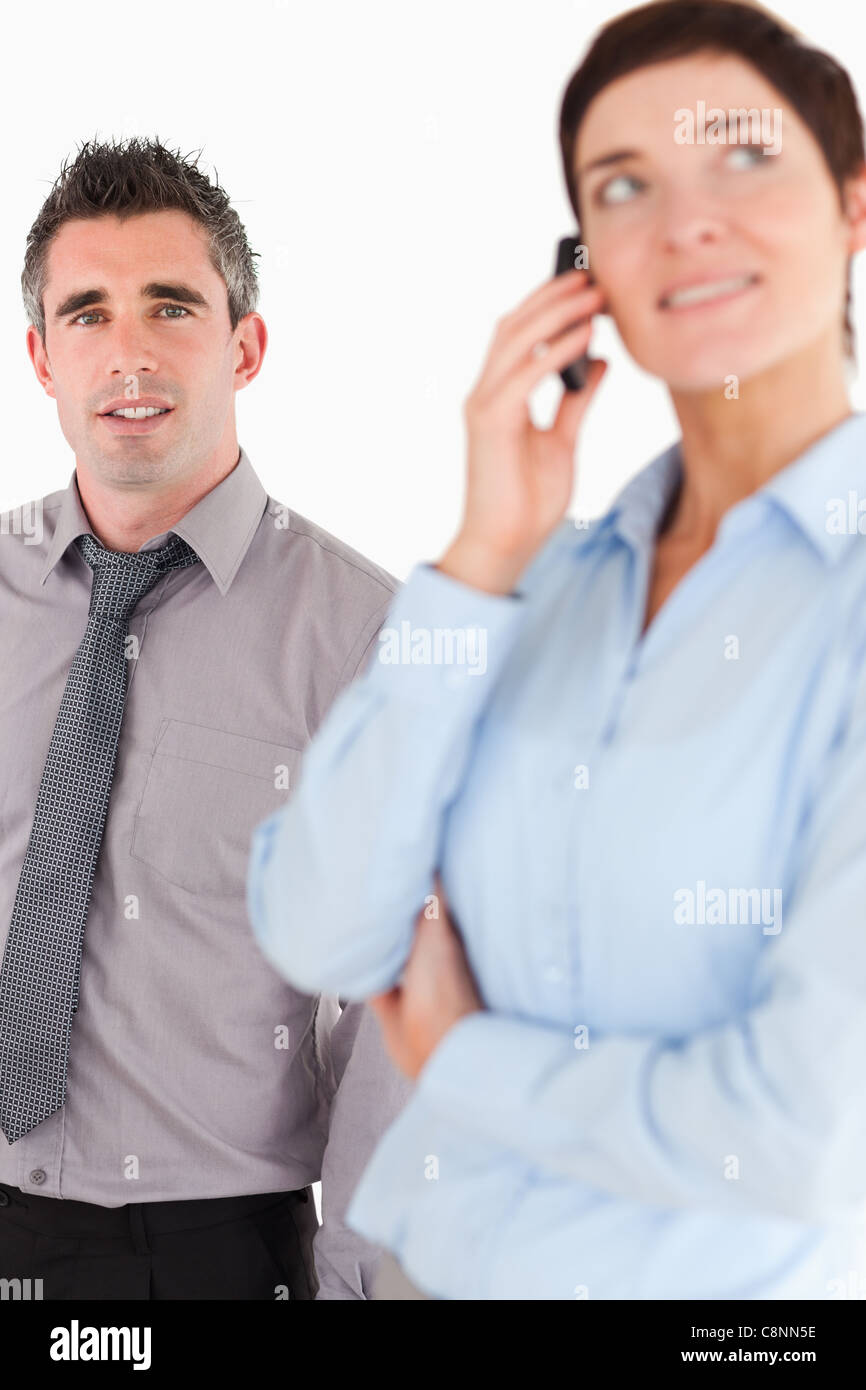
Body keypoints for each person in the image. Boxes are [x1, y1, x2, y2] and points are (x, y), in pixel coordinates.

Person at [246, 0, 866, 1300]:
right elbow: (317, 924)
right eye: (624, 182)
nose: (682, 218)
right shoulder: (540, 588)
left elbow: (802, 1137)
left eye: (742, 157)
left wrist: (464, 1059)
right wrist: (480, 552)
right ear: (584, 269)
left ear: (851, 205)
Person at [0, 136, 411, 1299]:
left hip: (210, 1255)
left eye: (169, 306)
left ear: (245, 344)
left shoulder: (369, 641)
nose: (126, 350)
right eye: (87, 312)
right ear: (41, 357)